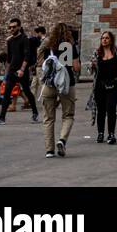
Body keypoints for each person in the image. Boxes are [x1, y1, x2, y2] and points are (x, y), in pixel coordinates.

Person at [36, 23, 81, 158]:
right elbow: (76, 67)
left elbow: (42, 65)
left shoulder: (49, 47)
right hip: (66, 84)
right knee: (68, 115)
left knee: (48, 118)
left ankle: (49, 150)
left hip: (50, 84)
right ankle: (62, 140)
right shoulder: (70, 46)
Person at [0, 17, 39, 126]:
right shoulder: (10, 40)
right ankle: (2, 117)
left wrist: (22, 69)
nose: (11, 29)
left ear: (19, 27)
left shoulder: (24, 39)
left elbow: (27, 55)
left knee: (27, 91)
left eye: (14, 27)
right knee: (7, 94)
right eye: (10, 27)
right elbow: (10, 58)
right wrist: (7, 70)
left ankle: (35, 112)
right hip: (12, 70)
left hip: (22, 71)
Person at [89, 30, 117, 144]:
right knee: (101, 110)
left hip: (114, 84)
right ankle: (100, 133)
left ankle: (111, 134)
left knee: (111, 109)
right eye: (102, 38)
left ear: (111, 40)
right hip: (100, 85)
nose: (104, 40)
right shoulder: (97, 53)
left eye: (106, 38)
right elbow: (89, 71)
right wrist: (92, 65)